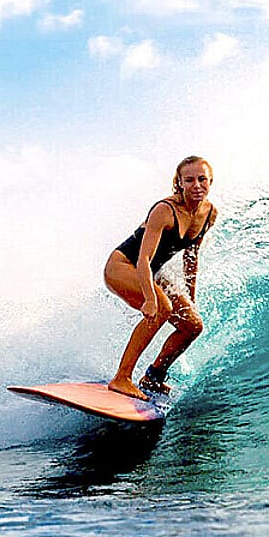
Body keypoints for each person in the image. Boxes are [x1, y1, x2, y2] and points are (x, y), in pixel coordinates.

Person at [103, 156, 217, 400]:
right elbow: (143, 259)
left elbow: (191, 257)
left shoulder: (209, 214)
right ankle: (121, 378)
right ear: (179, 183)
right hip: (122, 265)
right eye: (189, 180)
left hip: (152, 271)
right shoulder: (164, 210)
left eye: (202, 179)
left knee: (192, 325)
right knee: (162, 307)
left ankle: (154, 376)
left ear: (210, 182)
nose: (196, 185)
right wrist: (150, 299)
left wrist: (190, 297)